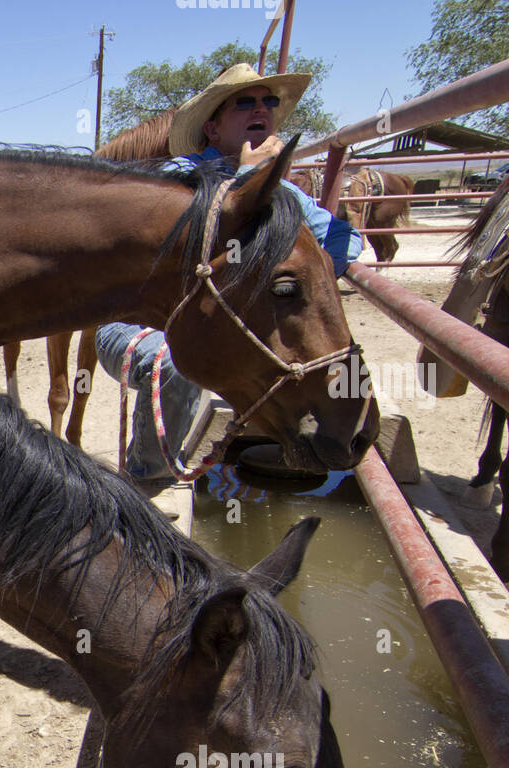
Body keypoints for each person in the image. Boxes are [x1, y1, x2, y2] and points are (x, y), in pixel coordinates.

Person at [97, 63, 363, 483]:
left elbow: (343, 243)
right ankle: (149, 479)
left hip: (213, 327)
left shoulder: (282, 190)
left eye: (268, 102)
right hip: (137, 328)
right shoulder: (176, 179)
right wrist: (249, 178)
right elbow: (187, 240)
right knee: (171, 364)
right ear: (213, 130)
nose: (262, 109)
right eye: (244, 102)